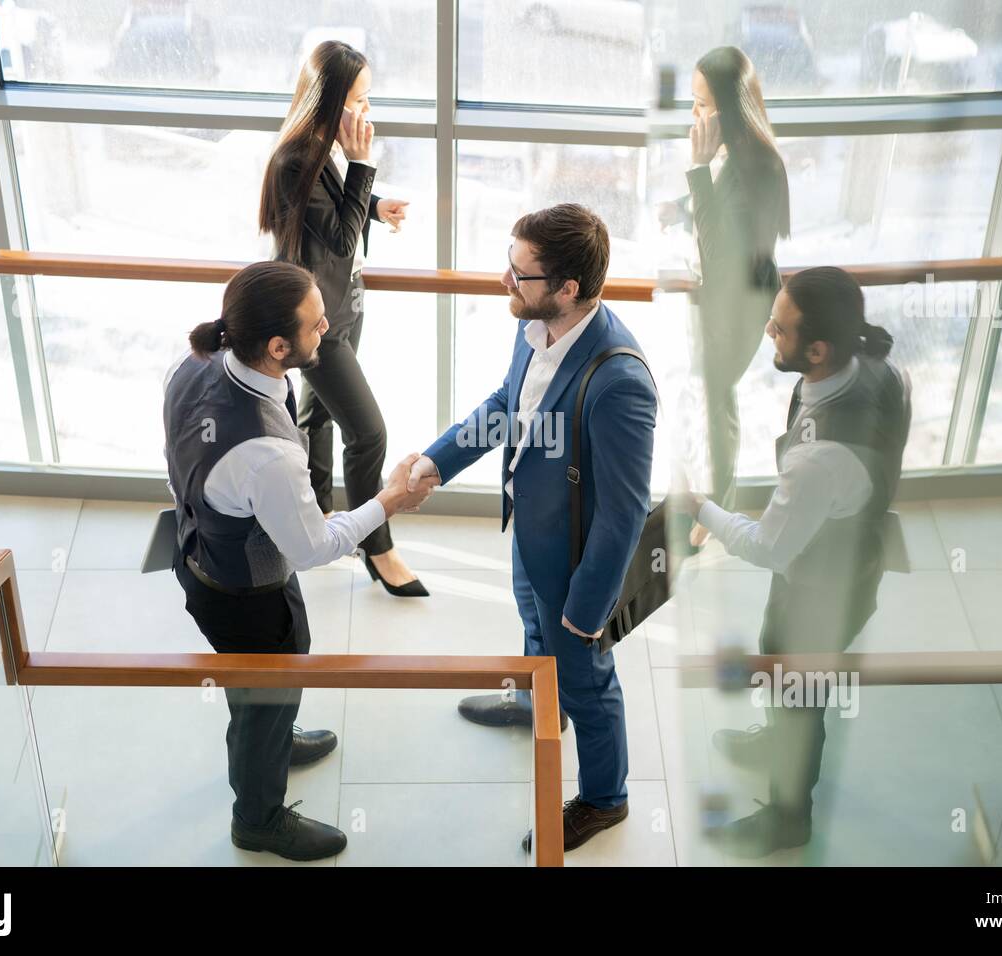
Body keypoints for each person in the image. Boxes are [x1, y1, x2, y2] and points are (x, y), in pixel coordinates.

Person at [163, 261, 436, 862]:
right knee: (266, 687)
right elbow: (314, 548)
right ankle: (257, 818)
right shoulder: (267, 455)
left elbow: (181, 458)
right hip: (244, 595)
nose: (328, 327)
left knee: (264, 683)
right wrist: (388, 500)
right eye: (317, 325)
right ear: (279, 346)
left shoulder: (192, 365)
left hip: (202, 556)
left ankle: (275, 736)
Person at [408, 204, 658, 852]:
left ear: (567, 288)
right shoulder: (539, 328)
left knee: (585, 678)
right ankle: (531, 702)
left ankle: (607, 799)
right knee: (528, 620)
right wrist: (438, 461)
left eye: (519, 274)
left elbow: (625, 512)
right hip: (533, 529)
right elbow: (504, 406)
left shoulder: (620, 382)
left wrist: (584, 613)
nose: (504, 283)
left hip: (576, 568)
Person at [676, 266, 910, 857]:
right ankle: (776, 735)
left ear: (818, 348)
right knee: (789, 684)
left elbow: (767, 547)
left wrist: (700, 506)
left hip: (819, 592)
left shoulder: (820, 460)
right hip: (845, 562)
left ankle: (788, 818)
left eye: (778, 330)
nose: (767, 332)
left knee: (800, 696)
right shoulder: (876, 370)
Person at [258, 39, 425, 597]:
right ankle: (375, 546)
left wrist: (374, 204)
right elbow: (337, 234)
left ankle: (312, 521)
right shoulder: (295, 158)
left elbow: (332, 215)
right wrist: (364, 166)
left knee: (317, 418)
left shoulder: (322, 147)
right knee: (369, 432)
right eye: (358, 100)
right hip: (317, 324)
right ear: (328, 101)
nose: (366, 112)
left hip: (344, 308)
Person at [664, 46, 790, 539]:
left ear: (731, 108)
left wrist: (694, 171)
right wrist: (680, 203)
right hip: (728, 296)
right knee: (714, 399)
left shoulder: (751, 164)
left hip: (736, 302)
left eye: (702, 104)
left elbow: (721, 256)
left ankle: (716, 512)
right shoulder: (737, 153)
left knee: (717, 403)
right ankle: (716, 505)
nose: (695, 115)